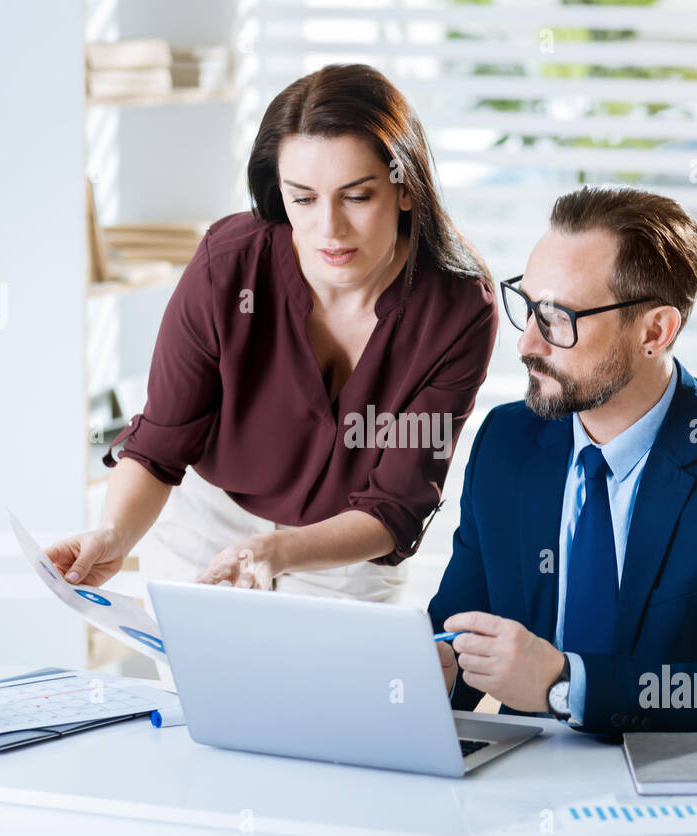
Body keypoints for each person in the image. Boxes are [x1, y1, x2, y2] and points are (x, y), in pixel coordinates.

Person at [428, 185, 697, 836]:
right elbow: (461, 626)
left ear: (655, 331)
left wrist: (568, 682)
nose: (528, 342)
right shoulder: (508, 443)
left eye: (558, 318)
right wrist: (429, 671)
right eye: (528, 306)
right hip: (530, 820)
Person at [46, 64, 496, 615]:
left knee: (335, 699)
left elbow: (394, 505)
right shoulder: (229, 265)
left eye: (356, 196)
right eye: (303, 199)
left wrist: (276, 549)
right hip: (206, 530)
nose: (329, 229)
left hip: (344, 547)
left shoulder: (455, 311)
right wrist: (114, 534)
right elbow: (160, 445)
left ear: (405, 190)